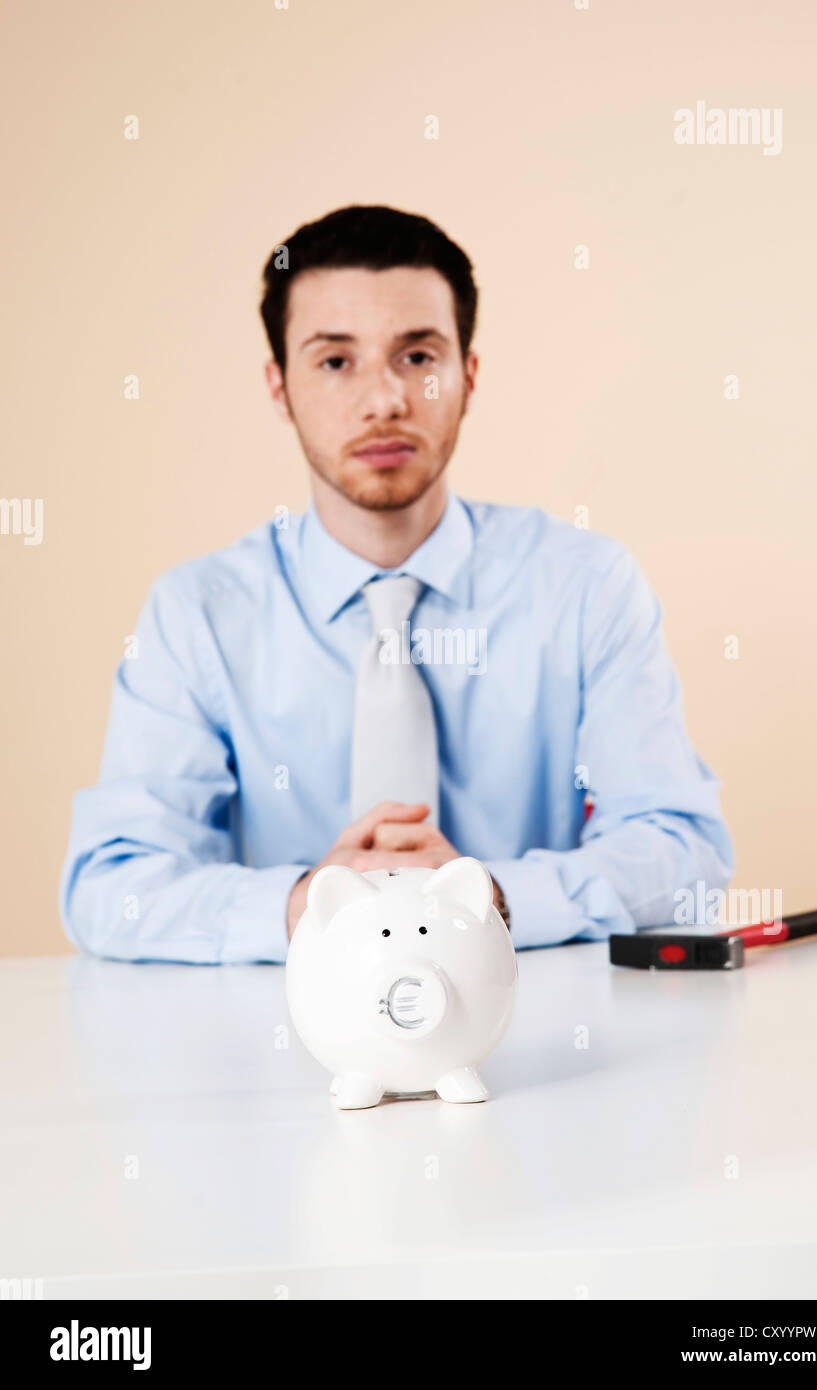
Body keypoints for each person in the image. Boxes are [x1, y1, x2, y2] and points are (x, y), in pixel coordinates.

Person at [59, 204, 734, 963]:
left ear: (468, 377)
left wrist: (488, 896)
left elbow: (685, 858)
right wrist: (302, 904)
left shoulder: (586, 587)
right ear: (279, 387)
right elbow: (109, 887)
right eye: (335, 361)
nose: (384, 400)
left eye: (418, 357)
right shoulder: (199, 615)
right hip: (285, 1050)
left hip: (543, 1036)